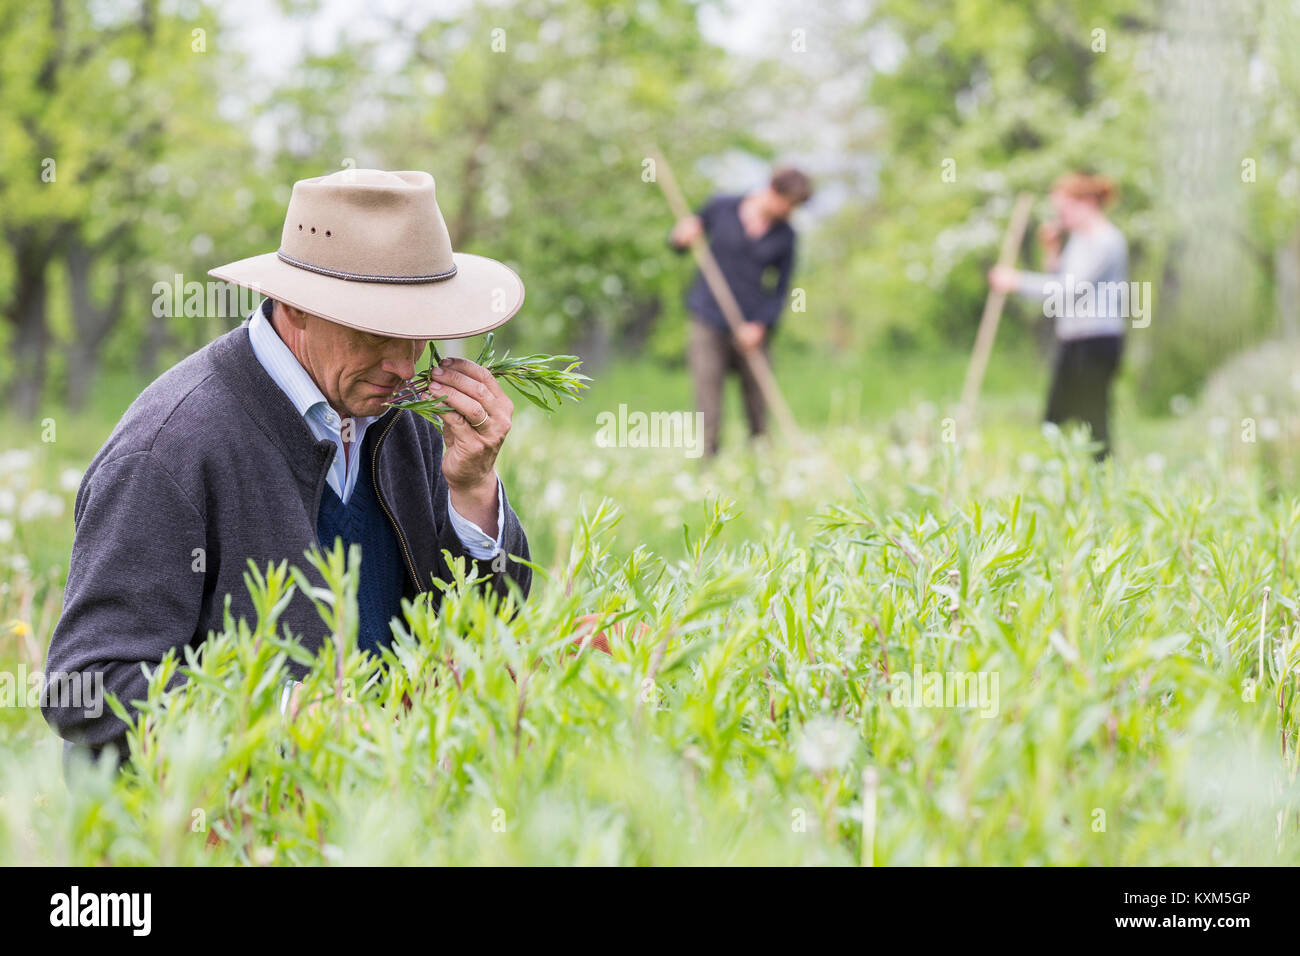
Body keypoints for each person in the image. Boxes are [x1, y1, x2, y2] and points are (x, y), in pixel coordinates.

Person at [42, 168, 532, 767]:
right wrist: (277, 713)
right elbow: (86, 689)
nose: (405, 366)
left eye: (418, 335)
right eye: (378, 333)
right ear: (298, 308)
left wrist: (474, 488)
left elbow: (491, 636)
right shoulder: (168, 448)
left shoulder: (408, 418)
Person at [670, 166, 812, 458]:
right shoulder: (721, 207)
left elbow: (782, 290)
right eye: (789, 204)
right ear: (773, 191)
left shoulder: (786, 236)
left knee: (758, 404)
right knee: (708, 403)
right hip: (708, 318)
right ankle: (707, 468)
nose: (790, 211)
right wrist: (681, 236)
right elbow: (682, 243)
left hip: (752, 327)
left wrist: (761, 325)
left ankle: (762, 466)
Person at [989, 172, 1128, 461]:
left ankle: (1102, 482)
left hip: (1097, 340)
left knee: (1094, 420)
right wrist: (1053, 252)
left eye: (1064, 209)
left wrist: (1017, 281)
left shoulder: (1107, 241)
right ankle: (1056, 479)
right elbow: (1061, 280)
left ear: (1087, 203)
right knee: (1055, 418)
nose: (1060, 217)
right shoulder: (1078, 240)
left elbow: (1070, 290)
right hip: (1074, 339)